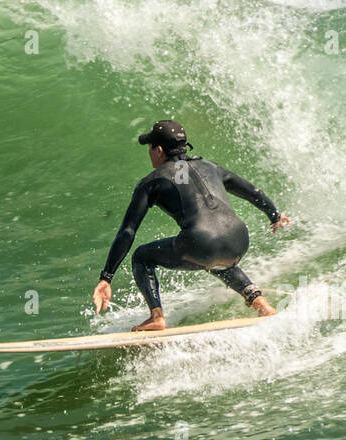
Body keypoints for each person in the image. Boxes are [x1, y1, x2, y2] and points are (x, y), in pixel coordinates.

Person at [92, 120, 292, 331]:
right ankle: (260, 303)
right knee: (216, 257)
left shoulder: (152, 181)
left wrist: (106, 277)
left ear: (159, 150)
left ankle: (156, 317)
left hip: (201, 242)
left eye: (150, 147)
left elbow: (128, 231)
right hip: (239, 238)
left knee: (142, 256)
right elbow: (253, 192)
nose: (149, 152)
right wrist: (274, 215)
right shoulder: (210, 167)